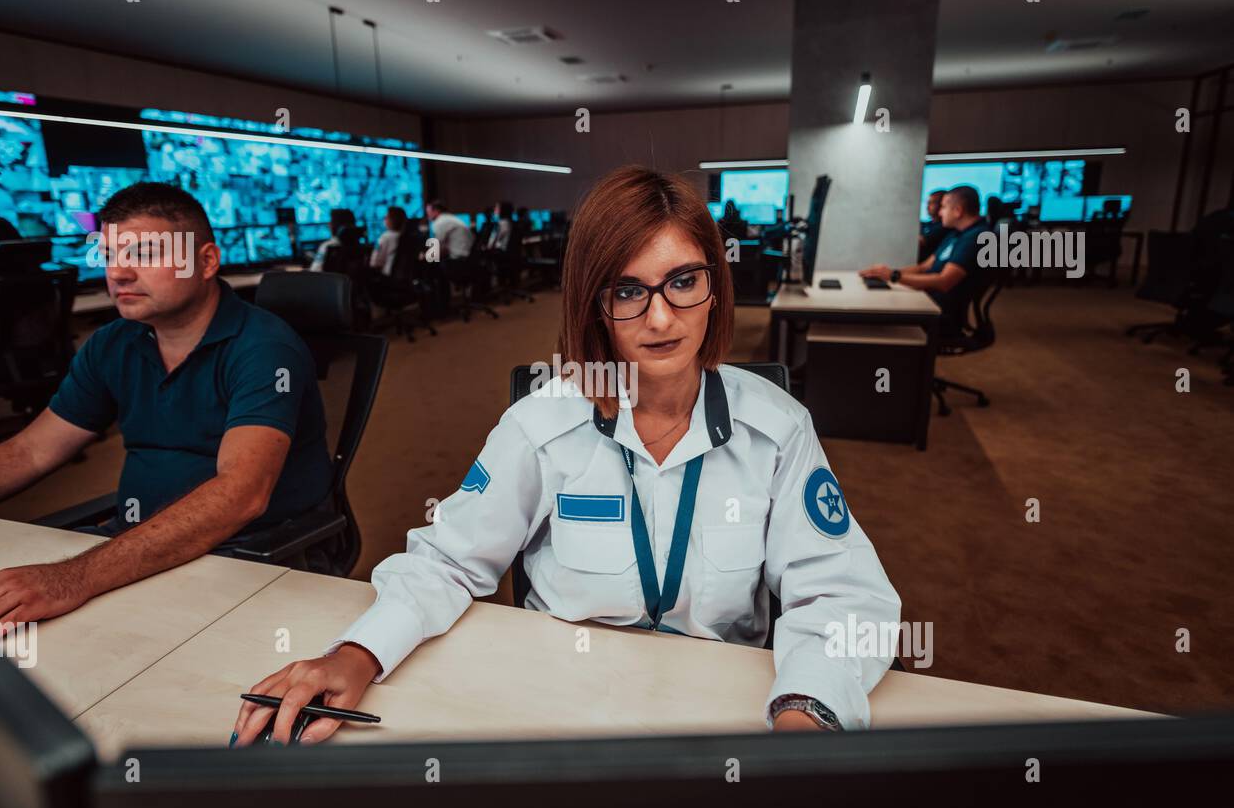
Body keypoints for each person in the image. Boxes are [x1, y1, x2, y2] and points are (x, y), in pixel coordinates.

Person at [233, 165, 900, 746]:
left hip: (723, 710)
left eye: (683, 282)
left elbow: (840, 594)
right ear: (595, 307)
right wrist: (356, 654)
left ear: (716, 288)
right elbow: (448, 559)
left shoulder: (778, 429)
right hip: (560, 703)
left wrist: (804, 717)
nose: (661, 319)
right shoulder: (541, 424)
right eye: (628, 291)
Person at [0, 182, 334, 628]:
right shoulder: (114, 343)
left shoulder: (263, 348)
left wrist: (74, 578)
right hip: (137, 546)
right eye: (109, 255)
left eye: (144, 254)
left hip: (252, 554)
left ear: (205, 261)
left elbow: (240, 496)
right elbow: (33, 449)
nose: (118, 274)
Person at [862, 184, 988, 335]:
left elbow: (944, 282)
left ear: (958, 210)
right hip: (927, 299)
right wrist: (887, 274)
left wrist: (894, 276)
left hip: (940, 313)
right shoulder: (956, 234)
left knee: (875, 315)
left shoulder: (975, 238)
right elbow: (924, 267)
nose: (940, 213)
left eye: (943, 207)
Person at [369, 206, 406, 276]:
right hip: (404, 280)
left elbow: (374, 263)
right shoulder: (407, 238)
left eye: (386, 217)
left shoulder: (384, 237)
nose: (384, 219)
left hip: (387, 279)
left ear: (391, 219)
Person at [918, 189, 948, 261]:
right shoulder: (925, 224)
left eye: (932, 203)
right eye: (928, 202)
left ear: (942, 205)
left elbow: (920, 241)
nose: (928, 206)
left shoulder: (944, 227)